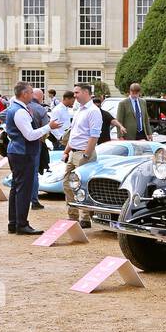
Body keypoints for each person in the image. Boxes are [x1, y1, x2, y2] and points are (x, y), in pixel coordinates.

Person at [3, 82, 61, 236]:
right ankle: (21, 224)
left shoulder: (15, 108)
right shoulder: (20, 111)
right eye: (30, 92)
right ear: (24, 94)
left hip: (17, 151)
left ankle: (14, 223)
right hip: (23, 153)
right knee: (23, 190)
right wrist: (49, 126)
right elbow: (30, 135)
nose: (33, 95)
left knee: (16, 188)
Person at [62, 84, 102, 228]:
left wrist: (86, 155)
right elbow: (74, 134)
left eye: (77, 92)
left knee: (82, 186)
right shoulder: (79, 110)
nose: (75, 95)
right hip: (74, 153)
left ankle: (85, 218)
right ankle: (73, 216)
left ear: (86, 92)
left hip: (84, 153)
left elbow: (94, 136)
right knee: (67, 184)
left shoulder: (93, 111)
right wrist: (67, 151)